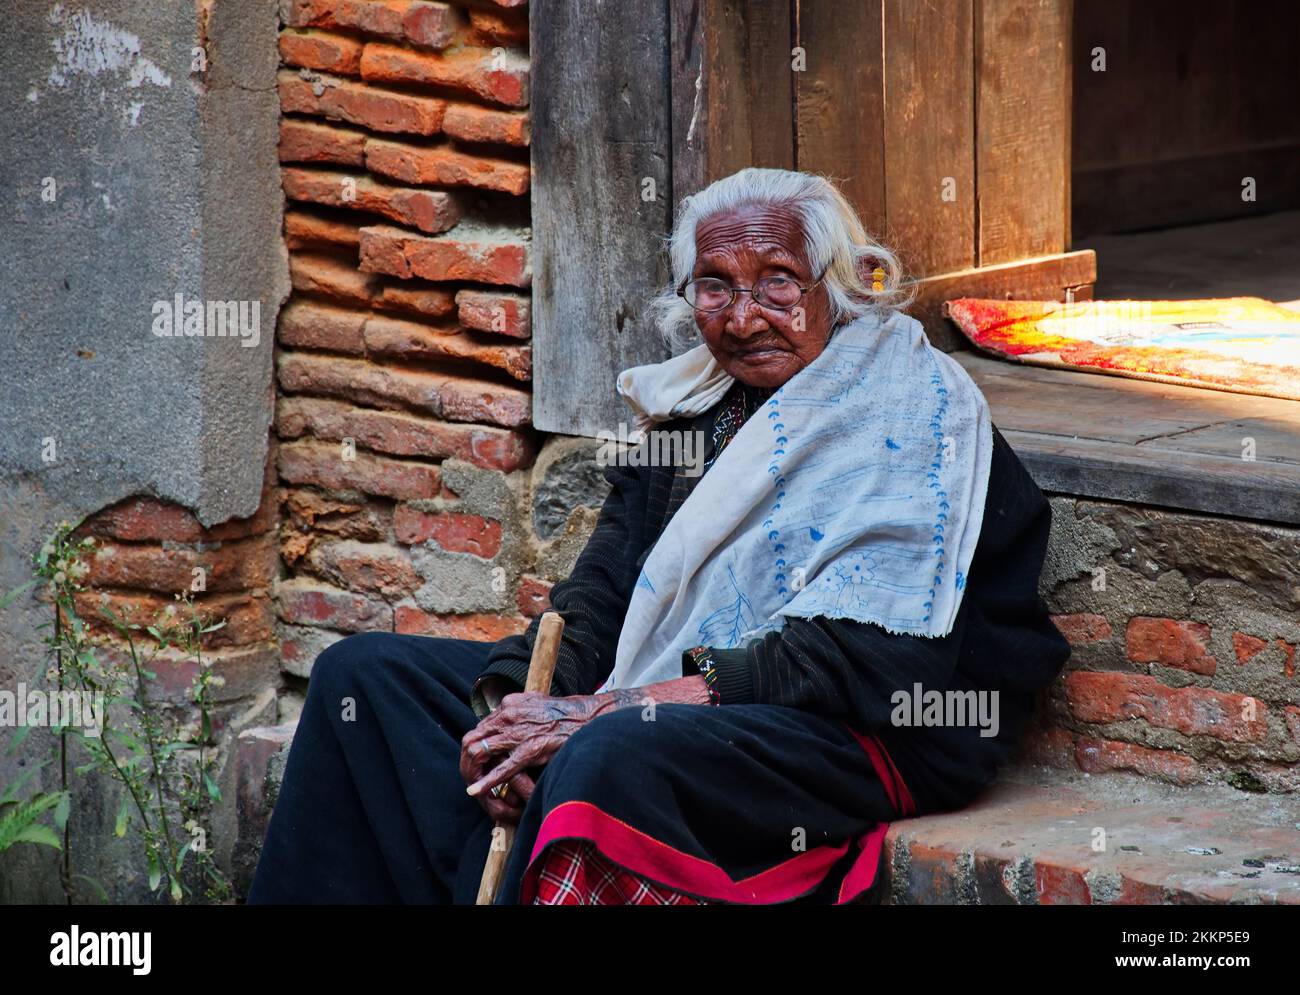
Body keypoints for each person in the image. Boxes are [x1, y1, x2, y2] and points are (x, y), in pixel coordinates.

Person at [247, 167, 1070, 905]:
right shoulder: (697, 405)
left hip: (864, 724)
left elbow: (865, 661)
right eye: (715, 286)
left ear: (837, 285)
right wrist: (509, 713)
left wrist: (605, 710)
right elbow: (603, 589)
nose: (744, 317)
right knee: (365, 679)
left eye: (777, 282)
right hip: (682, 686)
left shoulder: (909, 408)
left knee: (603, 755)